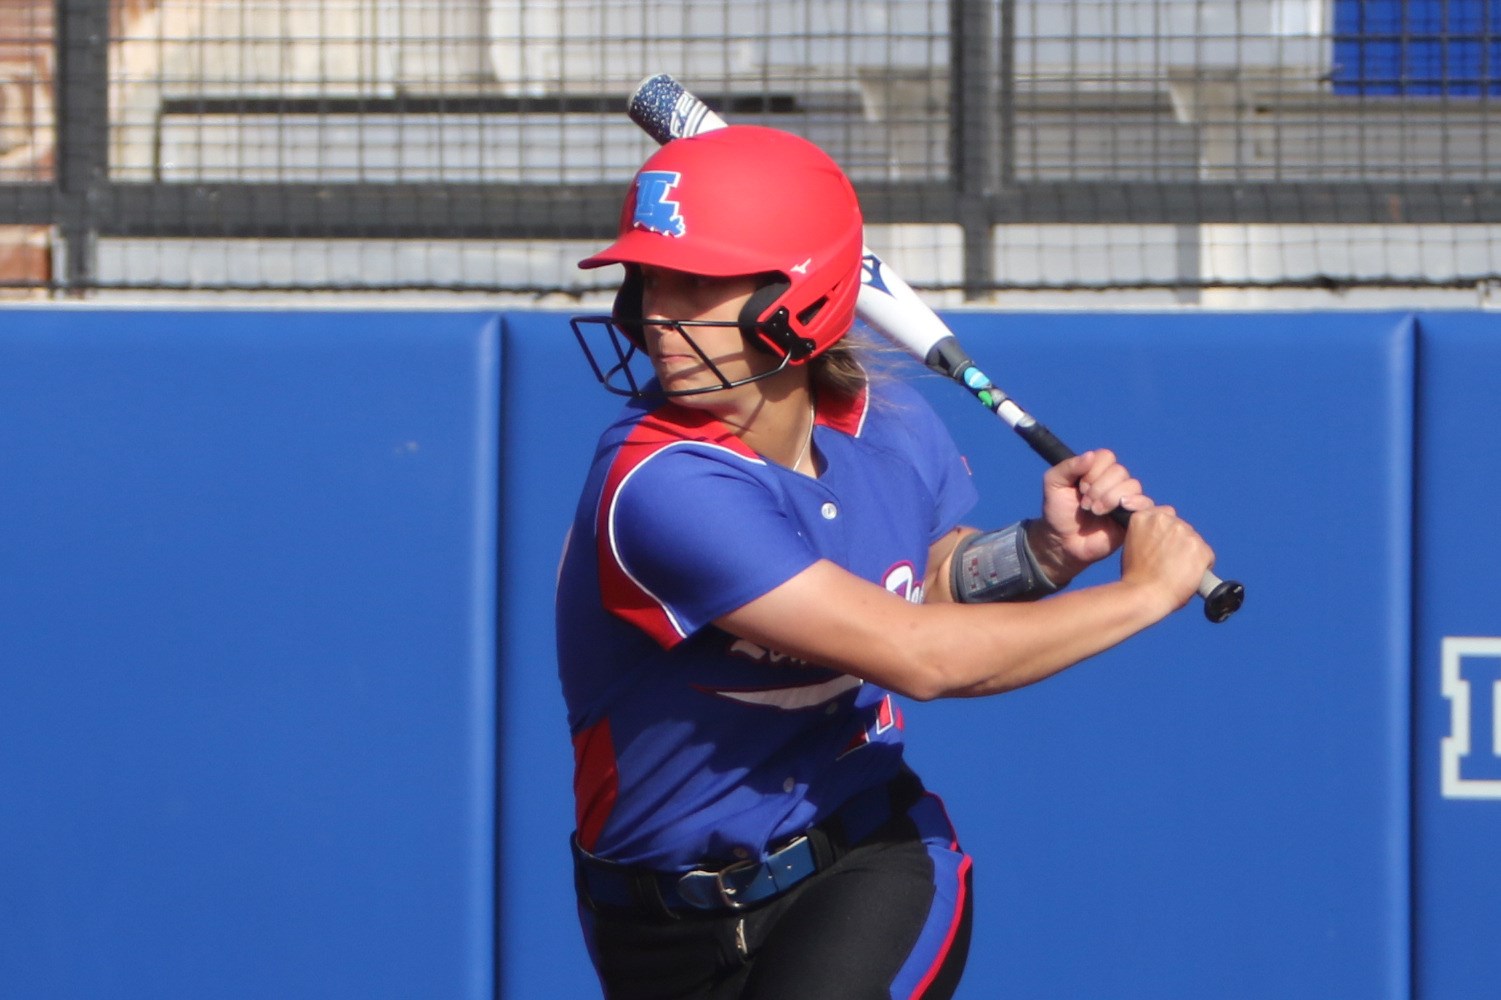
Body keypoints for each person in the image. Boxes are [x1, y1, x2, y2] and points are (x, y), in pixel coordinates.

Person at [556, 124, 1214, 1000]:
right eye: (649, 281)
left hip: (865, 861)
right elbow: (920, 654)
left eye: (700, 283)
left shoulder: (887, 426)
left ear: (801, 297)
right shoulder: (663, 486)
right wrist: (1143, 595)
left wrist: (1041, 552)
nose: (659, 317)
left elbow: (925, 578)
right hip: (653, 929)